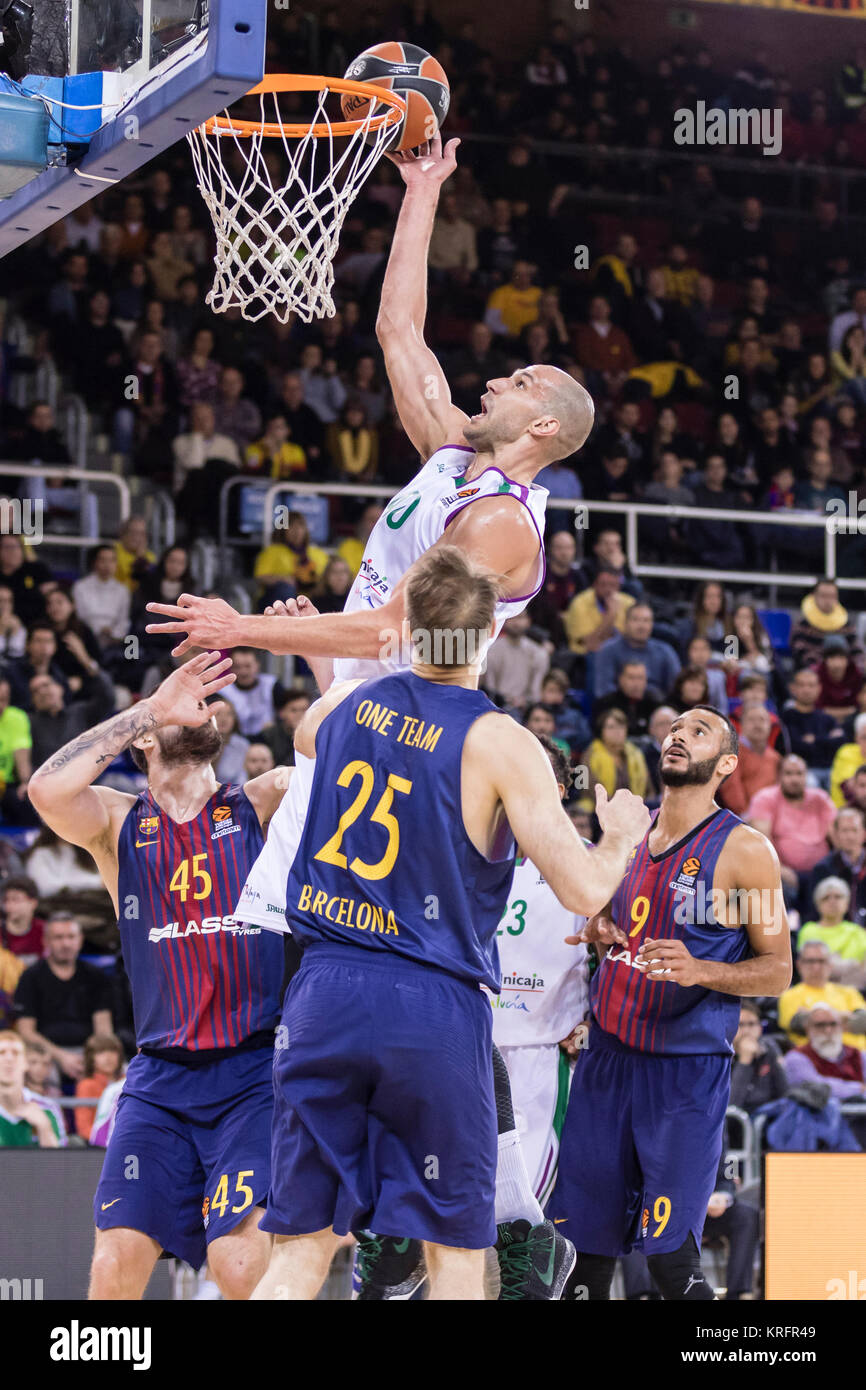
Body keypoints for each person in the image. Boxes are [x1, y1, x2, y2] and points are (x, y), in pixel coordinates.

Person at [250, 546, 650, 1302]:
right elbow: (583, 887)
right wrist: (623, 833)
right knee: (454, 1252)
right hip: (430, 1001)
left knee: (299, 1249)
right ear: (491, 632)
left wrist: (332, 663)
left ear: (405, 625)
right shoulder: (503, 742)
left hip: (324, 988)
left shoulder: (338, 712)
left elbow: (313, 738)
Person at [144, 132, 595, 688]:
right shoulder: (454, 453)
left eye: (521, 383)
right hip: (361, 703)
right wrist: (423, 189)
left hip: (412, 730)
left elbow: (395, 629)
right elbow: (399, 330)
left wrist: (240, 627)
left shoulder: (500, 519)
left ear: (544, 425)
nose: (497, 381)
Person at [27, 651, 290, 1300]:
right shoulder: (119, 822)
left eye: (203, 701)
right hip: (159, 1081)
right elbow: (44, 790)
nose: (198, 705)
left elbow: (333, 768)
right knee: (111, 1272)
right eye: (183, 702)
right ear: (145, 736)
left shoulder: (260, 801)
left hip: (252, 1074)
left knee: (236, 1269)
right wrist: (150, 707)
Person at [550, 704, 791, 1300]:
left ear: (726, 763)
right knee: (585, 1257)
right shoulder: (629, 836)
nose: (680, 735)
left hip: (681, 1076)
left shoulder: (746, 850)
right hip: (606, 1064)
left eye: (699, 730)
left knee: (670, 1263)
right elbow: (610, 924)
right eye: (676, 727)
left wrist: (702, 969)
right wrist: (600, 928)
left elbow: (779, 971)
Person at [13, 914, 113, 1082]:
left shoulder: (96, 976)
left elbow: (103, 1029)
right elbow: (26, 1031)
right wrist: (61, 1057)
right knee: (39, 1071)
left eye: (71, 937)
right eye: (58, 938)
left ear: (80, 940)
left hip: (87, 1052)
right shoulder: (30, 977)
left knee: (118, 1074)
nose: (66, 944)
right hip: (46, 1053)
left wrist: (91, 1058)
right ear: (45, 941)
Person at [746, 755, 836, 907]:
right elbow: (761, 842)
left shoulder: (820, 798)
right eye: (789, 773)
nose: (794, 779)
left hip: (821, 871)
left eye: (799, 774)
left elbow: (837, 836)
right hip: (783, 873)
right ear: (779, 775)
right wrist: (781, 870)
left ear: (806, 775)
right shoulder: (765, 799)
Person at [778, 940, 866, 1050]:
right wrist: (844, 1017)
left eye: (821, 961)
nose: (816, 967)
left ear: (830, 964)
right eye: (810, 961)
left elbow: (863, 1022)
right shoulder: (789, 995)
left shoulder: (849, 992)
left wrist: (815, 1019)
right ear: (799, 964)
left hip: (857, 1056)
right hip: (813, 1059)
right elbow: (798, 1026)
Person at [593, 603, 681, 700]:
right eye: (635, 620)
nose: (641, 626)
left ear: (652, 624)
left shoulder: (665, 651)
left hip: (656, 706)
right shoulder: (608, 649)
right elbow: (603, 690)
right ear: (625, 623)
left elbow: (676, 688)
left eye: (646, 620)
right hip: (617, 705)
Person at [782, 1004, 866, 1098]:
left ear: (842, 1027)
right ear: (808, 1029)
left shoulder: (858, 1055)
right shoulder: (796, 1057)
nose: (828, 1030)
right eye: (820, 1025)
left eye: (833, 1024)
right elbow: (815, 1088)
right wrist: (858, 1088)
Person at [0, 1030, 65, 1147]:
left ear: (25, 1063)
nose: (9, 1059)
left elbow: (60, 1164)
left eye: (15, 1053)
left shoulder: (47, 1109)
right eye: (2, 1052)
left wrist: (44, 1127)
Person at [797, 877, 866, 986]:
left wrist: (832, 963)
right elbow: (812, 968)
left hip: (854, 994)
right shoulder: (809, 930)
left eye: (838, 897)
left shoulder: (859, 932)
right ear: (817, 904)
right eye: (826, 898)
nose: (832, 901)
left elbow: (863, 972)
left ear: (847, 902)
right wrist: (853, 965)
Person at [579, 708, 648, 814]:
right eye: (611, 727)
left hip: (634, 808)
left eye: (621, 727)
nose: (617, 732)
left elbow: (648, 786)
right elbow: (585, 787)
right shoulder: (590, 754)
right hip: (598, 809)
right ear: (601, 731)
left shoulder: (636, 753)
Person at [808, 807, 866, 932]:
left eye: (854, 830)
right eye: (845, 831)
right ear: (836, 834)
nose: (850, 836)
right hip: (834, 933)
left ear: (864, 834)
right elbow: (814, 912)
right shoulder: (823, 869)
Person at [718, 705, 780, 817]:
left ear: (770, 725)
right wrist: (746, 814)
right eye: (751, 719)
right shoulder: (732, 753)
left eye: (762, 720)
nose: (758, 724)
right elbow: (731, 788)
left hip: (771, 817)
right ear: (741, 725)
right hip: (744, 817)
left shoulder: (775, 757)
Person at [482, 612, 550, 714]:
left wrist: (526, 702)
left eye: (520, 617)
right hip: (497, 707)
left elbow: (536, 691)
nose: (516, 622)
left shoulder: (539, 653)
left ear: (528, 621)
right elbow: (490, 687)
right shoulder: (491, 650)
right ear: (503, 621)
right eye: (511, 618)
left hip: (527, 710)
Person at [729, 1001, 788, 1112]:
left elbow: (784, 1091)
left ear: (760, 1028)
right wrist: (744, 1062)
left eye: (751, 1024)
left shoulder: (768, 1048)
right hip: (737, 1119)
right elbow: (731, 1105)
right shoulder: (723, 1057)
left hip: (769, 1114)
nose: (746, 1031)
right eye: (740, 1025)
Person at [564, 566, 634, 655]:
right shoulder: (580, 603)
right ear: (594, 585)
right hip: (587, 655)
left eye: (613, 585)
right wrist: (610, 616)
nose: (608, 590)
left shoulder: (629, 603)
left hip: (623, 654)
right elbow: (590, 644)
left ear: (619, 586)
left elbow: (633, 640)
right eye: (603, 584)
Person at [75, 1033, 125, 1142]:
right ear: (90, 1058)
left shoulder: (128, 1081)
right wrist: (107, 1141)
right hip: (99, 1148)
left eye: (113, 1051)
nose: (108, 1057)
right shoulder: (86, 1085)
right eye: (101, 1052)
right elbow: (84, 1128)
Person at [592, 662, 659, 739]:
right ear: (620, 679)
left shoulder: (654, 703)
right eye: (631, 677)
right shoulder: (605, 704)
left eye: (640, 678)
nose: (636, 683)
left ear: (646, 681)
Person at [0, 874, 44, 962]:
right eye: (6, 900)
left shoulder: (45, 930)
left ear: (33, 903)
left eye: (15, 900)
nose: (9, 906)